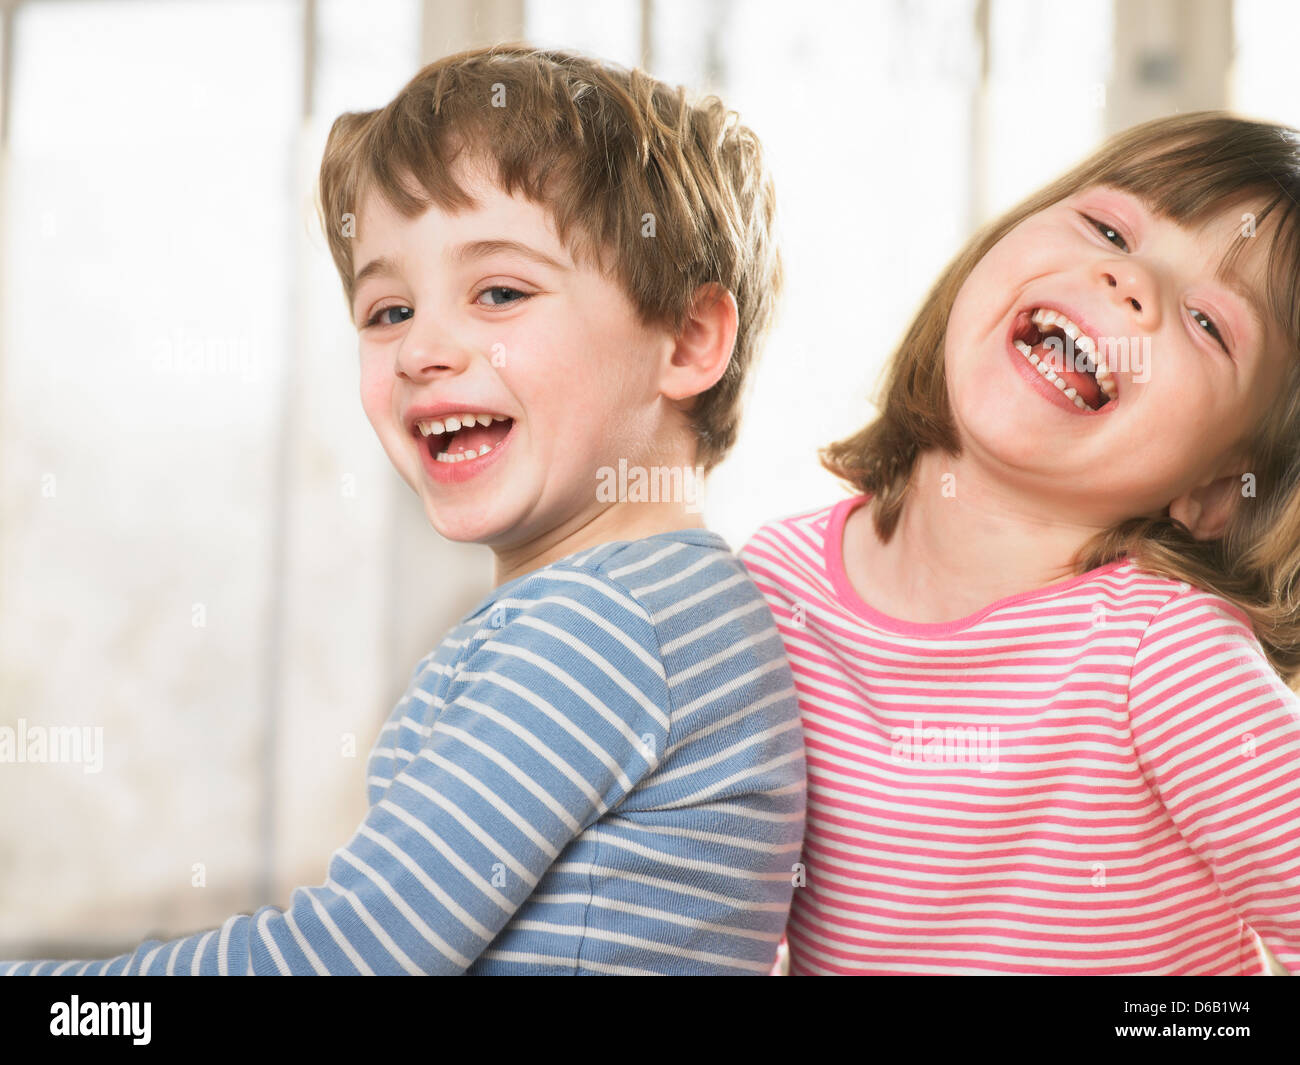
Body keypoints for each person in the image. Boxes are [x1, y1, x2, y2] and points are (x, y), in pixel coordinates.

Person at [4, 44, 804, 976]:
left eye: (499, 292)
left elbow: (348, 956)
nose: (423, 348)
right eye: (386, 311)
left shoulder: (597, 626)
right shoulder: (680, 603)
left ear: (690, 339)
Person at [740, 111, 1300, 975]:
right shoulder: (773, 589)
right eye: (1109, 228)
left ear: (1221, 488)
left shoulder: (1170, 658)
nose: (1129, 280)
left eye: (1208, 323)